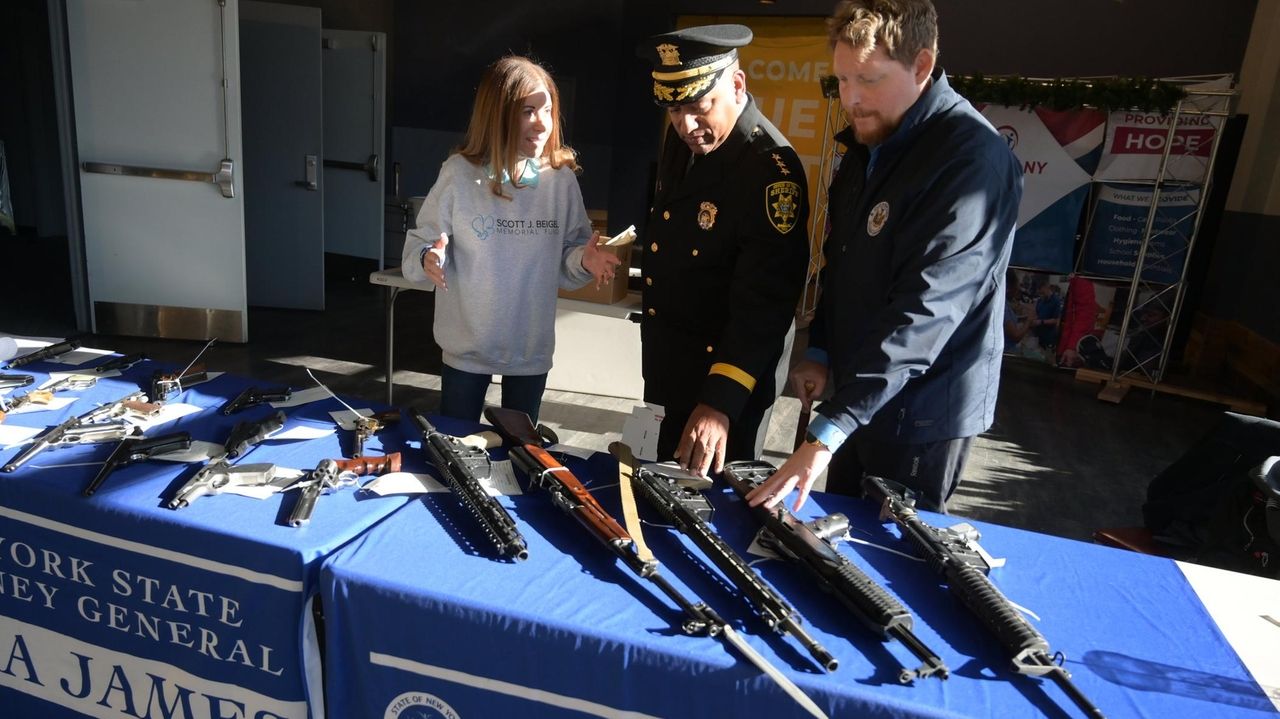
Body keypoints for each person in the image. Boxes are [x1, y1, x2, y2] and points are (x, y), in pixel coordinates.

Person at [746, 0, 1023, 514]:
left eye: (868, 80)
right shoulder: (867, 144)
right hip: (857, 400)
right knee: (835, 538)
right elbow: (843, 261)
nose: (851, 99)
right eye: (841, 81)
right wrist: (823, 350)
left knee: (891, 560)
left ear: (921, 65)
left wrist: (828, 431)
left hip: (922, 415)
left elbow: (925, 311)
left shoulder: (972, 162)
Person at [401, 55, 619, 424]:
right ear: (497, 114)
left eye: (547, 110)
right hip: (466, 349)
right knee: (457, 448)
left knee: (522, 454)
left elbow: (568, 259)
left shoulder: (560, 181)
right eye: (528, 111)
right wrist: (428, 257)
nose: (542, 124)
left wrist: (585, 261)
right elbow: (420, 243)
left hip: (529, 351)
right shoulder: (458, 174)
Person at [636, 24, 811, 475]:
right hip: (668, 367)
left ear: (736, 84)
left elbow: (767, 304)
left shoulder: (771, 170)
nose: (686, 125)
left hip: (725, 384)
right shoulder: (687, 140)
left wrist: (719, 403)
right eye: (674, 111)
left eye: (698, 107)